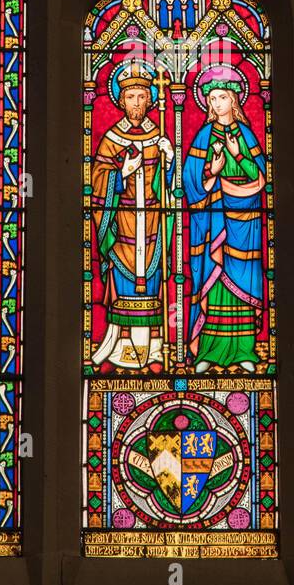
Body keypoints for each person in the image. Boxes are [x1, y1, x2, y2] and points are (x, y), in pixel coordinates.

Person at [90, 64, 175, 370]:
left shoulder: (158, 134)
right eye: (131, 97)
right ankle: (120, 347)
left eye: (142, 96)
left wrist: (170, 162)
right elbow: (97, 179)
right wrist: (121, 173)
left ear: (150, 100)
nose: (137, 103)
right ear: (121, 101)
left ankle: (151, 348)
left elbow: (169, 190)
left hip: (152, 223)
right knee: (123, 286)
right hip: (121, 223)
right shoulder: (111, 138)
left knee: (151, 285)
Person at [184, 65, 266, 372]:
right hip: (214, 217)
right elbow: (190, 181)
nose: (216, 104)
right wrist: (213, 173)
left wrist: (239, 154)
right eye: (212, 99)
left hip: (247, 220)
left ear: (234, 100)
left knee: (244, 279)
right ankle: (209, 350)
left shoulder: (245, 135)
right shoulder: (204, 135)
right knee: (214, 277)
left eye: (222, 97)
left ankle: (244, 349)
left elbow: (261, 179)